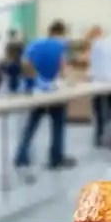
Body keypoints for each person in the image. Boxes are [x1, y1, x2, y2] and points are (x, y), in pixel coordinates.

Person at [14, 20, 72, 172]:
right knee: (58, 124)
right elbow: (62, 68)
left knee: (32, 123)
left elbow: (25, 63)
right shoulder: (61, 46)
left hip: (37, 91)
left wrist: (35, 80)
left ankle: (21, 155)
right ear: (60, 32)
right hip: (53, 90)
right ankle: (56, 158)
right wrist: (60, 82)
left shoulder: (35, 44)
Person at [87, 25, 111, 148]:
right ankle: (105, 137)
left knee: (100, 109)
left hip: (99, 82)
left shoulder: (98, 44)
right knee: (108, 109)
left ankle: (101, 137)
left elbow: (93, 65)